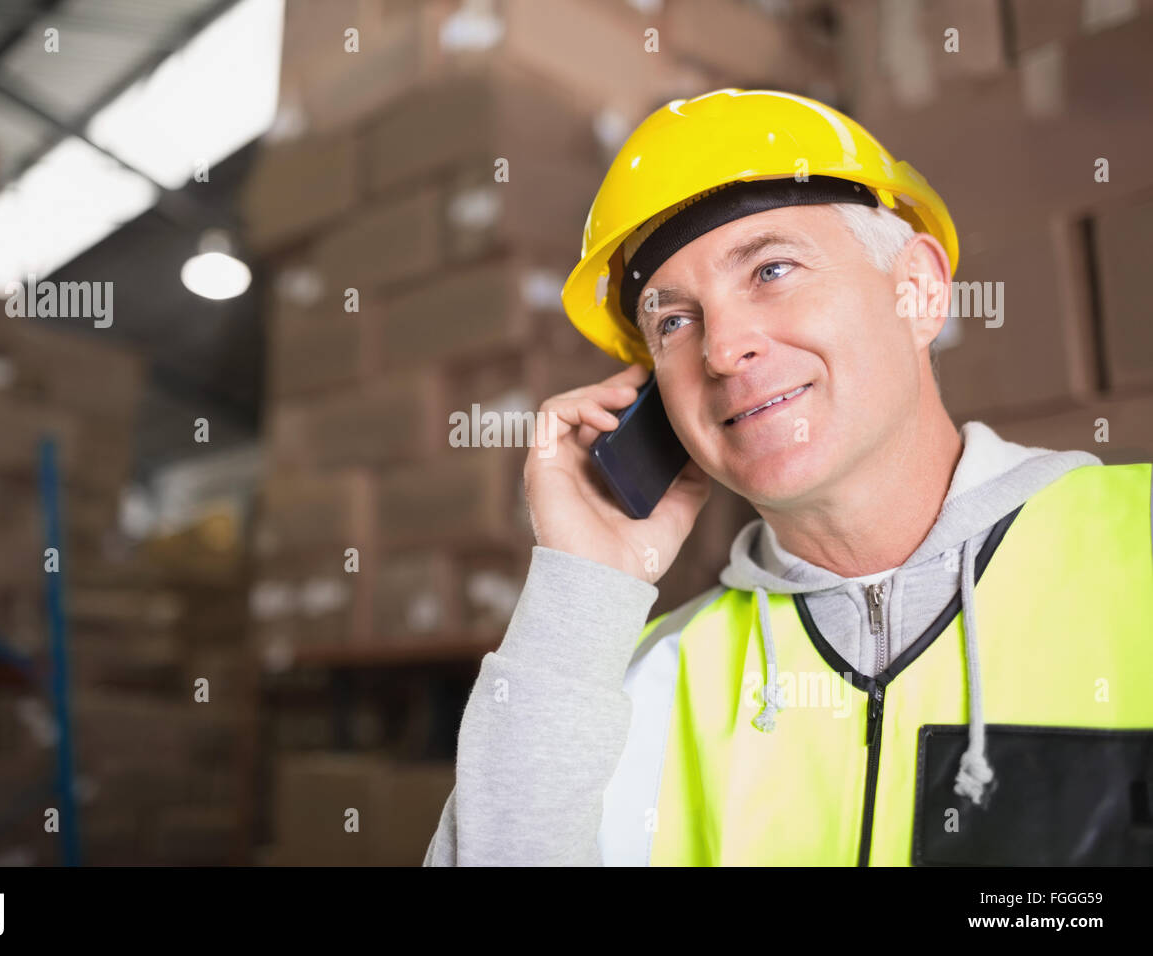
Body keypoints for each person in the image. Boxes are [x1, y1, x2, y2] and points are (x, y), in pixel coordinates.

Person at [423, 89, 1153, 866]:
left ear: (919, 291)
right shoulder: (641, 686)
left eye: (772, 270)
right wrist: (582, 595)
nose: (722, 349)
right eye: (673, 321)